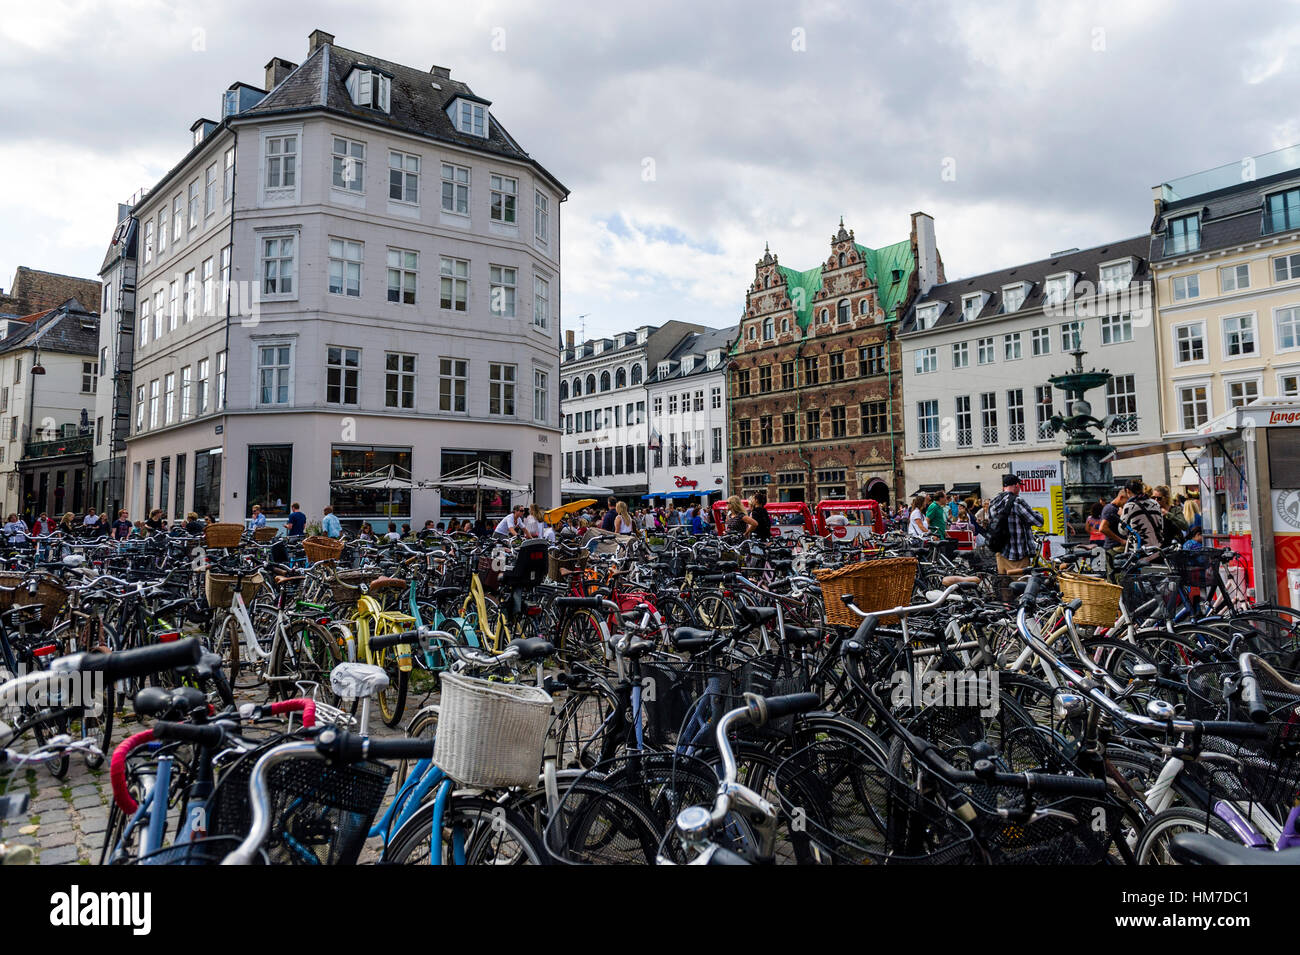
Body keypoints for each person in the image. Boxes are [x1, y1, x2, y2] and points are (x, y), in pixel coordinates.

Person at [987, 474, 1044, 576]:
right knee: (1021, 588)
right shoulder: (1017, 501)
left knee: (1004, 589)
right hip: (1017, 555)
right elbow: (1038, 521)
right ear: (1017, 485)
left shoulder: (993, 502)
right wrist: (1037, 513)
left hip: (1000, 552)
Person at [1120, 481, 1164, 548]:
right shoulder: (1155, 504)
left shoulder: (1129, 506)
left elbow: (1122, 531)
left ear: (1127, 491)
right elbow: (1161, 526)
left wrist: (1121, 515)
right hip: (1157, 548)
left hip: (1140, 550)